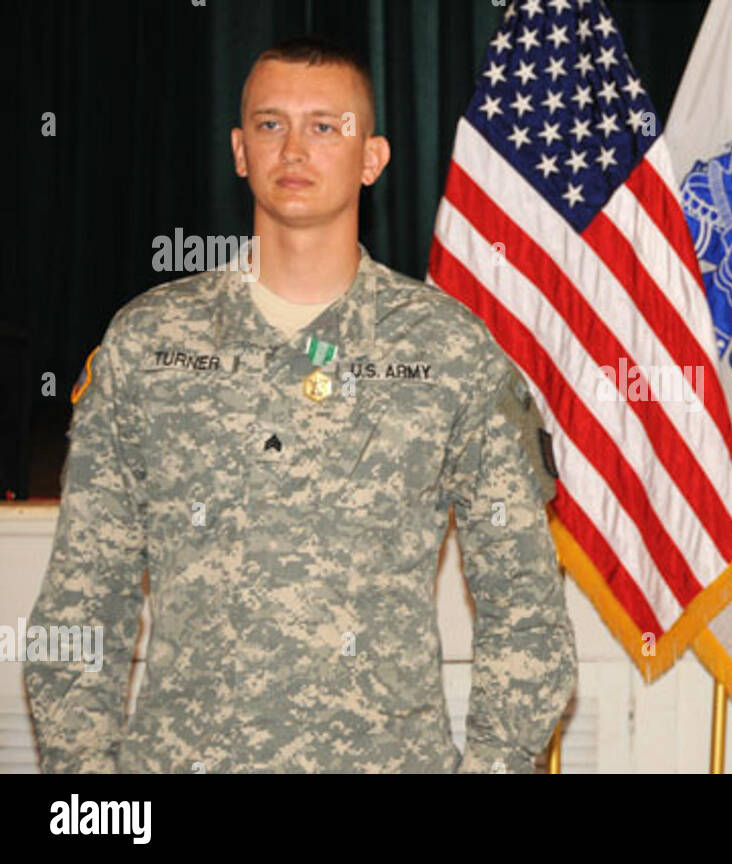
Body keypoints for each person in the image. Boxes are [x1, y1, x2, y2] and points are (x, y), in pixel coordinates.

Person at [24, 37, 576, 773]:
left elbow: (527, 608)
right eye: (270, 124)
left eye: (326, 127)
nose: (294, 148)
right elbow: (81, 605)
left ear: (372, 157)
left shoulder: (449, 354)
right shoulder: (149, 345)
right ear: (239, 150)